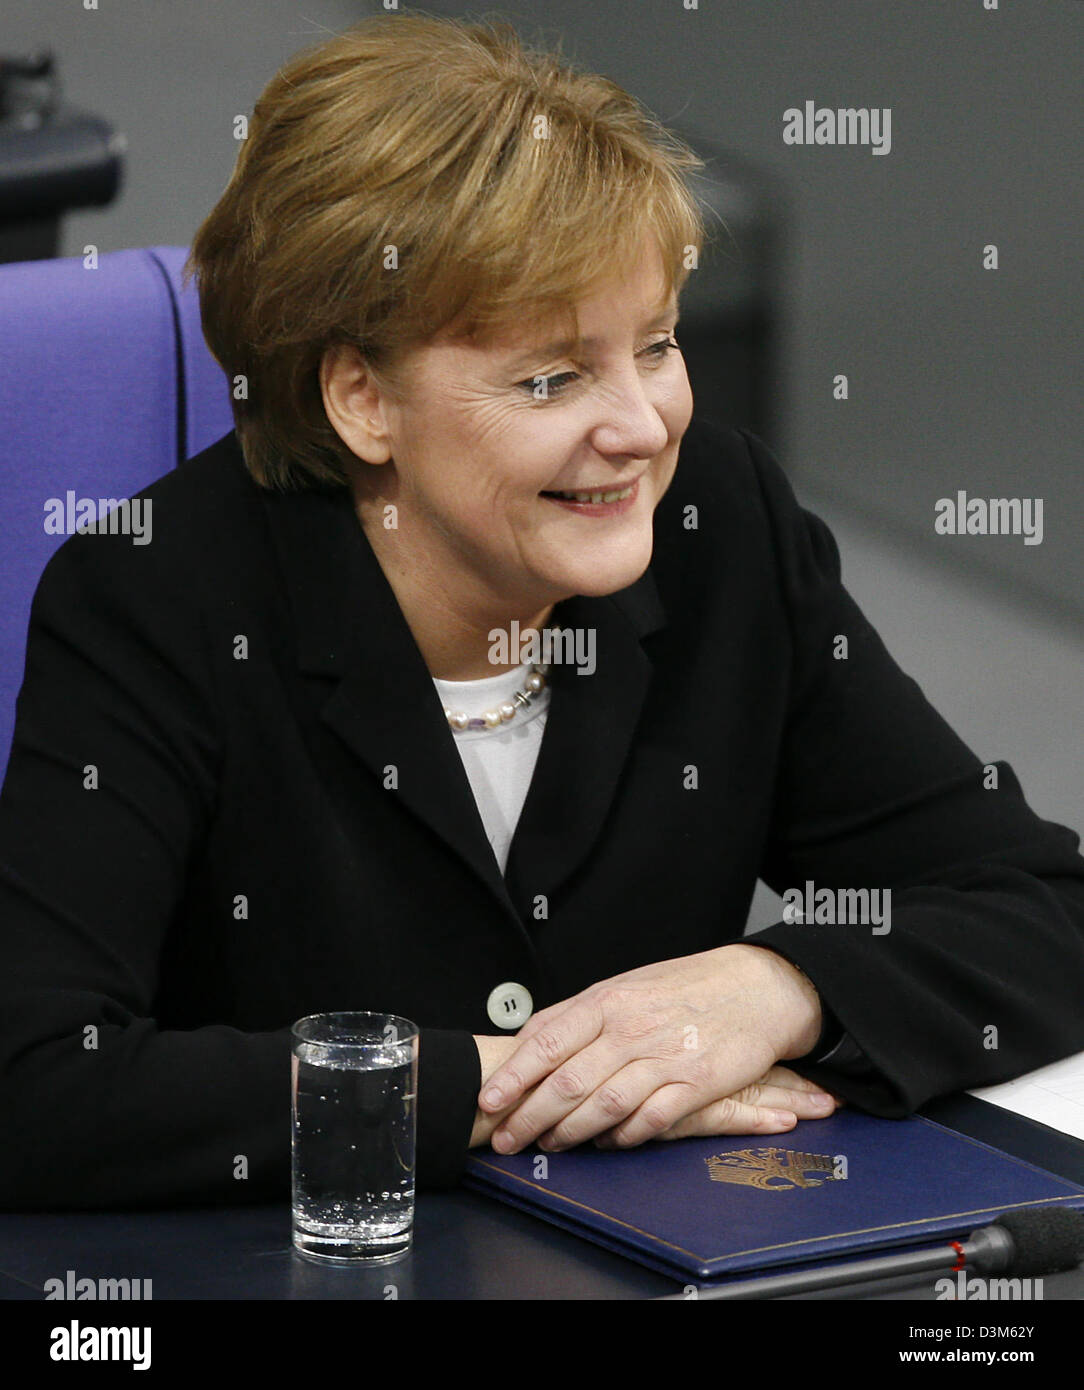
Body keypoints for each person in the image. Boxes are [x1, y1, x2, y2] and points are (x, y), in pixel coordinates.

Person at [2, 13, 1082, 1211]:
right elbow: (39, 1078)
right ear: (362, 397)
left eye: (658, 344)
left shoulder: (716, 526)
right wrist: (502, 1083)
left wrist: (775, 986)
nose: (642, 425)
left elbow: (1045, 907)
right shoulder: (158, 596)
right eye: (552, 378)